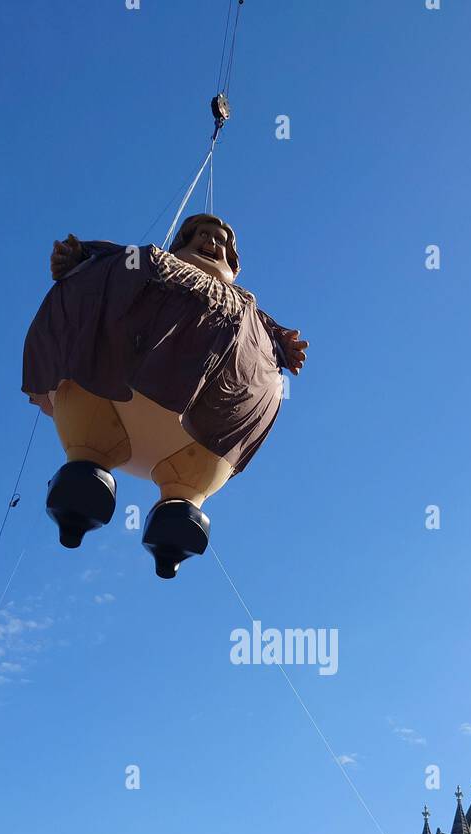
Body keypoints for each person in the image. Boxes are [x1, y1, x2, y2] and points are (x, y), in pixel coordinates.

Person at [24, 214, 308, 572]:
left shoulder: (249, 309)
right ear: (183, 241)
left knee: (226, 424)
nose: (212, 242)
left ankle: (181, 508)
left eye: (220, 240)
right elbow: (104, 258)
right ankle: (85, 474)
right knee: (92, 397)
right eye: (203, 234)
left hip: (205, 427)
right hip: (109, 389)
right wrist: (80, 256)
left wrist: (282, 343)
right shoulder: (152, 262)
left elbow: (274, 335)